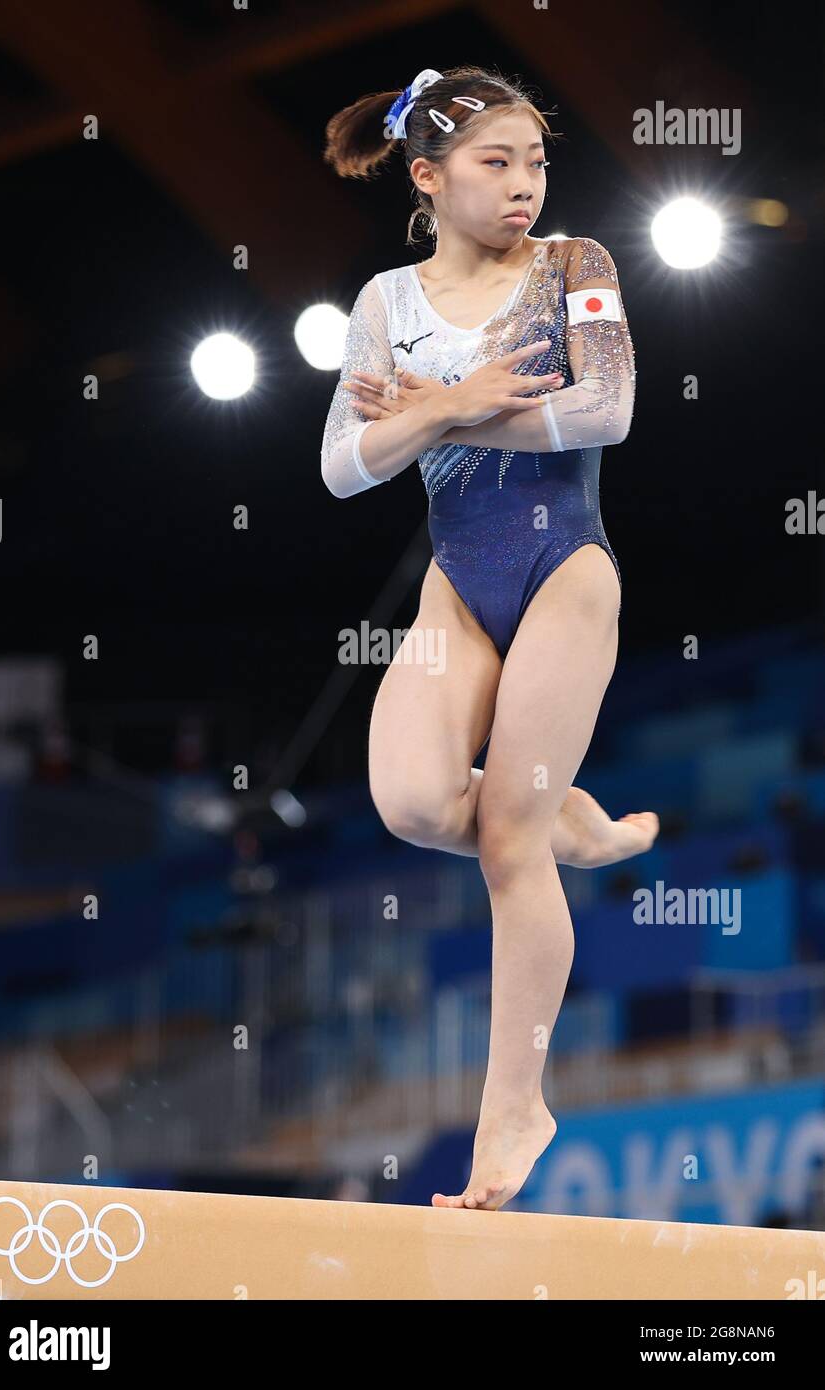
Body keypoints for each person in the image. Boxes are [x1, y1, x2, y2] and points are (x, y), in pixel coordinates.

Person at [321, 65, 658, 1209]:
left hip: (565, 569)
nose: (524, 184)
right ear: (427, 176)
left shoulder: (574, 267)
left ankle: (514, 1106)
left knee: (506, 844)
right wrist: (450, 406)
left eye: (535, 162)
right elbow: (337, 467)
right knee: (415, 805)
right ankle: (560, 811)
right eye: (494, 162)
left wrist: (435, 407)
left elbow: (607, 406)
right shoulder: (385, 303)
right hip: (455, 586)